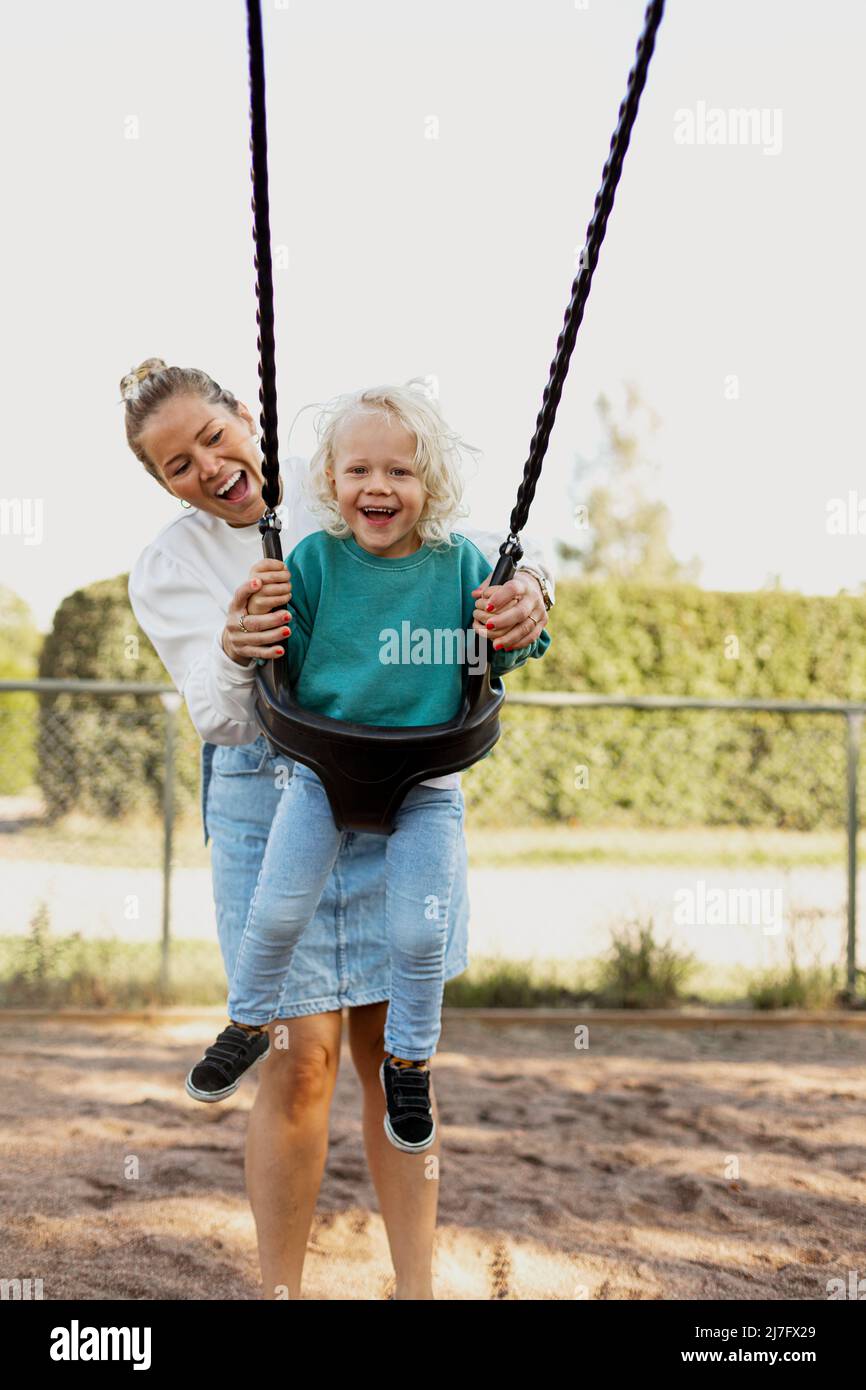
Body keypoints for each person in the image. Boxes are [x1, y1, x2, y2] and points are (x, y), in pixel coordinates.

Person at [124, 358, 555, 1299]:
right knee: (302, 1054)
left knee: (393, 1046)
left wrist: (537, 596)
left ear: (246, 415)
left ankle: (415, 1290)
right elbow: (224, 720)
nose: (208, 467)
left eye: (212, 436)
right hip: (272, 788)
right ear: (163, 486)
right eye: (177, 466)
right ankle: (281, 1290)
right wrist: (238, 653)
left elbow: (477, 553)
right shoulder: (168, 567)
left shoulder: (345, 481)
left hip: (404, 773)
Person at [185, 383, 551, 1156]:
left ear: (431, 486)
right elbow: (275, 657)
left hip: (424, 782)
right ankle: (247, 1023)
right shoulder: (312, 559)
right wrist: (252, 624)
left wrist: (514, 621)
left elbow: (502, 650)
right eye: (358, 471)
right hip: (320, 770)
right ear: (330, 483)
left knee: (419, 935)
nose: (378, 487)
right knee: (278, 908)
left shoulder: (460, 565)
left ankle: (409, 1063)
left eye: (401, 473)